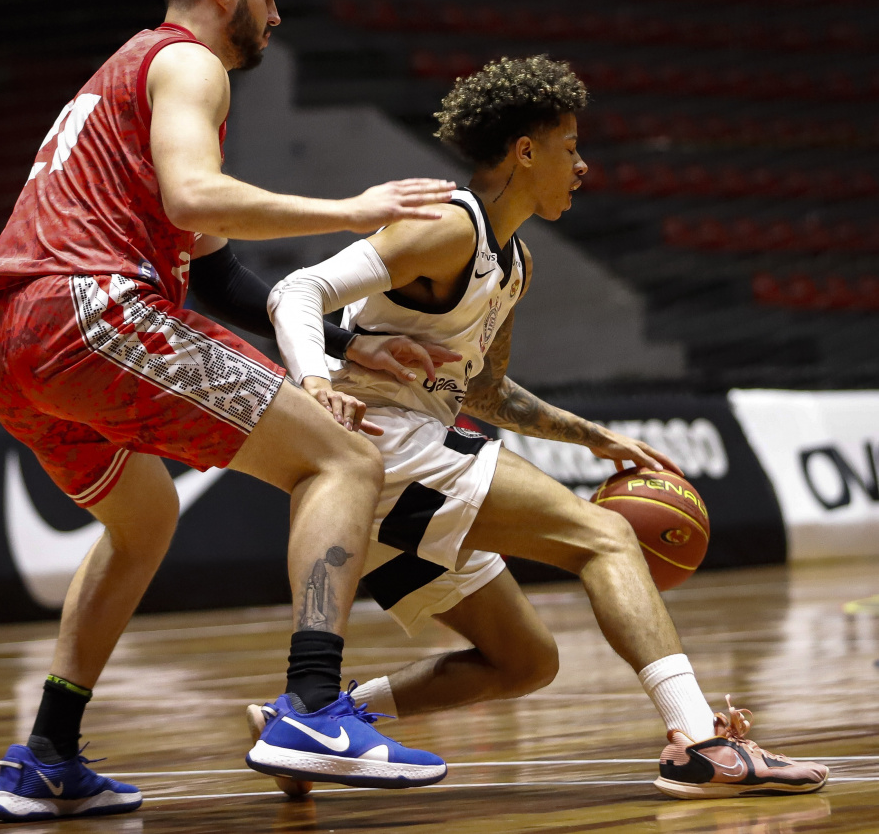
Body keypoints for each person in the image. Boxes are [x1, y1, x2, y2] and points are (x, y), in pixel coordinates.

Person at [0, 0, 457, 823]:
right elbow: (195, 194)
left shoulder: (129, 80)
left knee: (143, 517)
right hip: (85, 308)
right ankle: (314, 704)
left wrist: (347, 346)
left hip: (5, 343)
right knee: (342, 460)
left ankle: (46, 753)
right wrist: (349, 209)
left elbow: (218, 268)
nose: (279, 15)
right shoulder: (186, 62)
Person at [262, 55, 830, 800]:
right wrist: (313, 381)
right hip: (379, 444)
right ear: (525, 151)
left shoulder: (515, 262)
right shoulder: (444, 227)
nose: (582, 164)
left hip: (399, 467)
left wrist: (591, 436)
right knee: (603, 535)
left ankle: (322, 718)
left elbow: (487, 390)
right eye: (569, 145)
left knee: (523, 659)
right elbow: (297, 287)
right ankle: (697, 742)